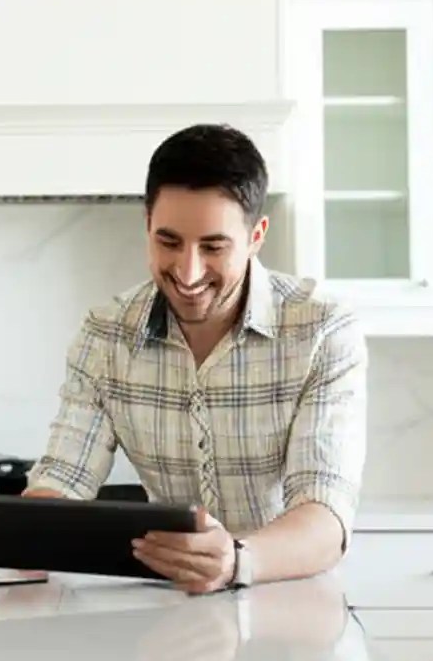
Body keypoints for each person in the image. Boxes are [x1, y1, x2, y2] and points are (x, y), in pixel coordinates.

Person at [23, 123, 368, 594]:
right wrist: (26, 532)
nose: (187, 272)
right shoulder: (106, 335)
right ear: (146, 226)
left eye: (213, 246)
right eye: (168, 242)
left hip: (289, 600)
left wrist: (236, 561)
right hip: (171, 611)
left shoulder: (322, 331)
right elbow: (65, 475)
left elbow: (325, 514)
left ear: (256, 236)